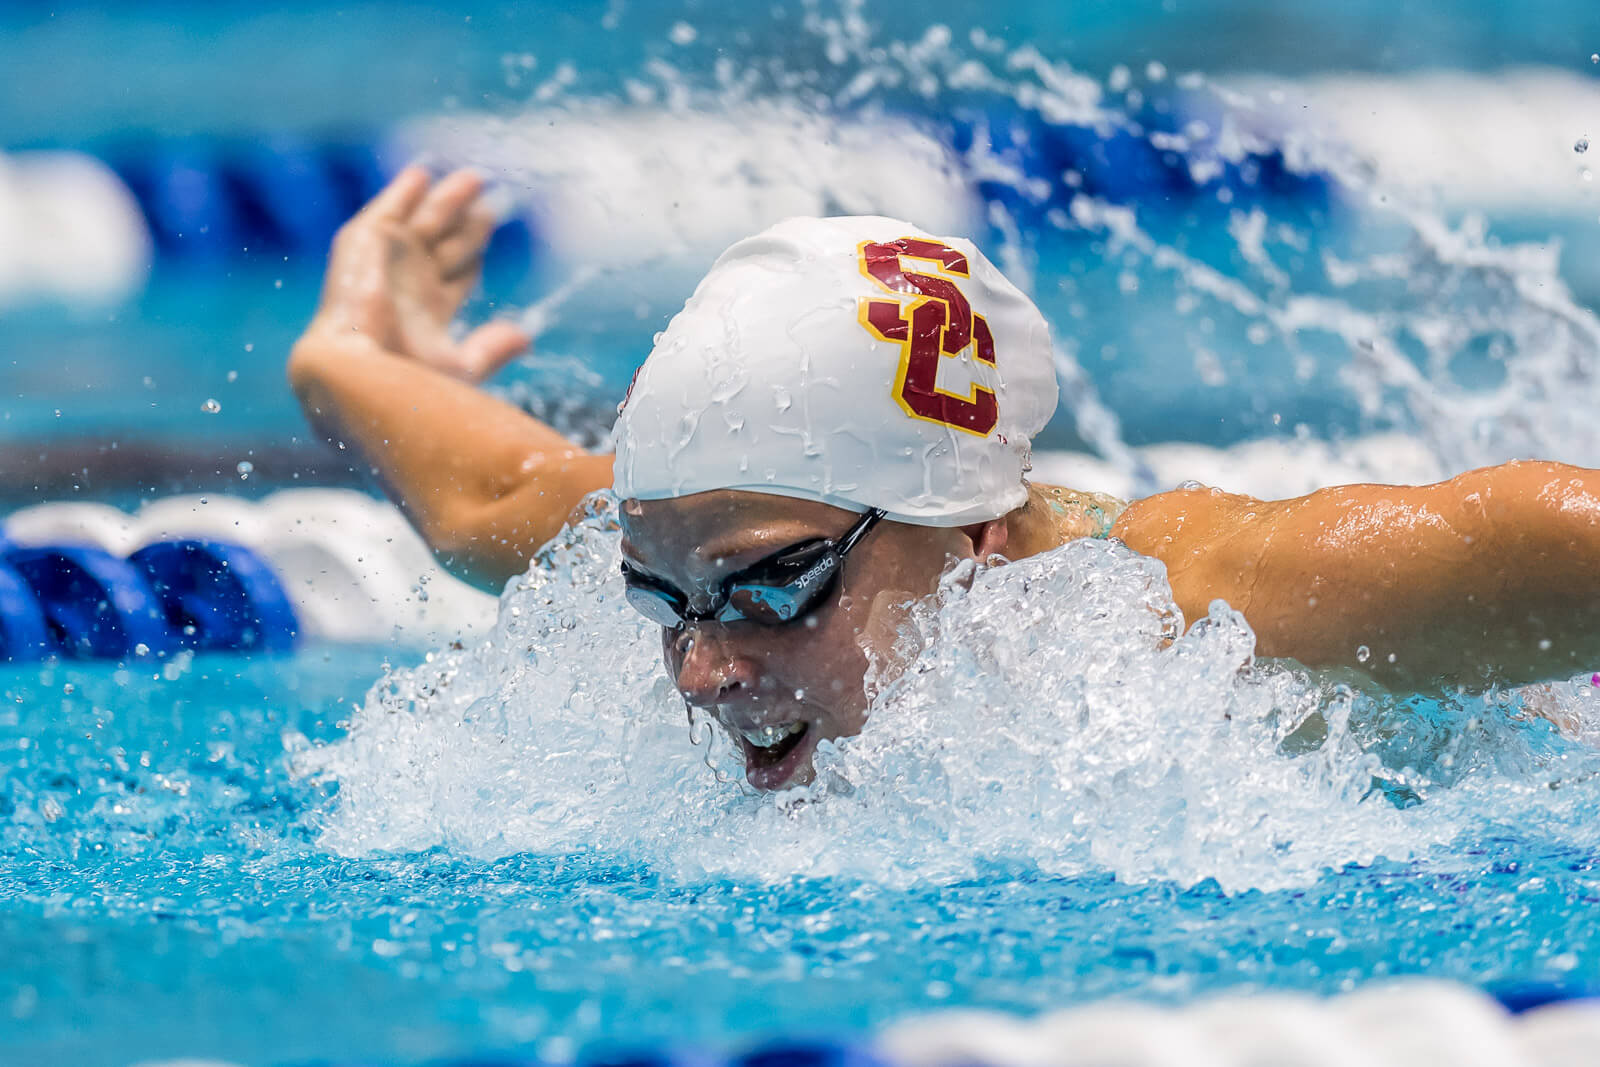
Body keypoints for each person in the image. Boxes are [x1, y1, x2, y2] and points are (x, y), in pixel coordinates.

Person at [289, 166, 1600, 790]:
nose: (699, 668)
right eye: (660, 600)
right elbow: (486, 496)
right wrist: (348, 348)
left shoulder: (1210, 607)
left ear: (971, 528)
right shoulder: (718, 531)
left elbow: (1550, 531)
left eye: (770, 589)